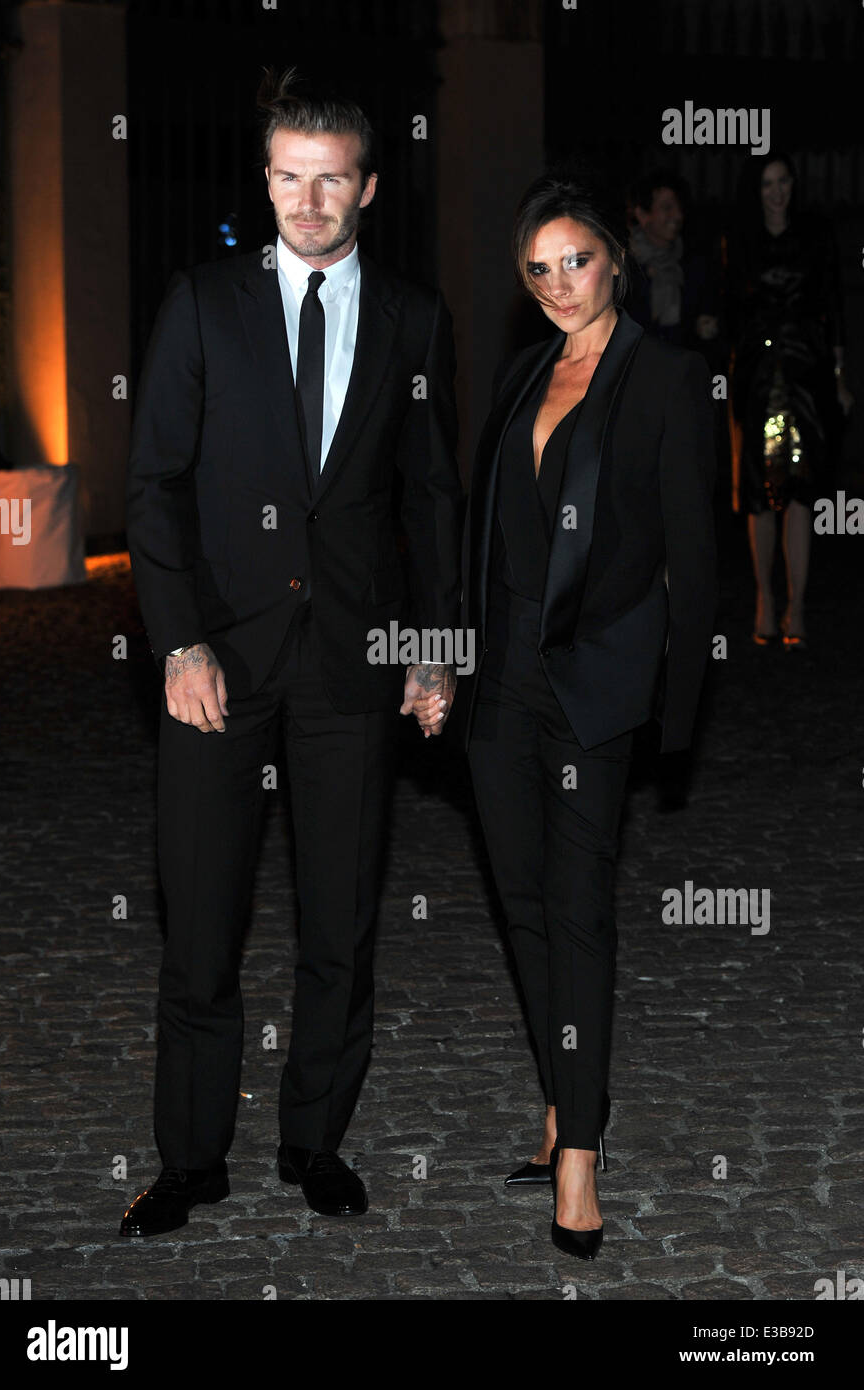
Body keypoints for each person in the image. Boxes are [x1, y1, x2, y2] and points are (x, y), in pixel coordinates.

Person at [121, 69, 462, 1236]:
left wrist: (432, 646)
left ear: (365, 185)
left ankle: (315, 1138)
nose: (308, 200)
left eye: (330, 180)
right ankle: (189, 1158)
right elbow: (154, 488)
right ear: (264, 180)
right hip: (216, 665)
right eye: (287, 177)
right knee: (202, 921)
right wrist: (177, 645)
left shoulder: (415, 317)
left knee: (340, 923)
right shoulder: (204, 302)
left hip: (354, 670)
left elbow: (431, 497)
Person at [458, 169, 717, 1260]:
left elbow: (697, 559)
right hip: (501, 680)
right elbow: (481, 541)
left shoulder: (661, 379)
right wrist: (445, 664)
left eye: (576, 259)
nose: (560, 282)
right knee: (518, 903)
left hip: (596, 684)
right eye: (539, 267)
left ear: (613, 258)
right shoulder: (521, 375)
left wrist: (679, 713)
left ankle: (579, 1156)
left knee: (578, 911)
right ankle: (561, 1100)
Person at [726, 152, 852, 648]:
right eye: (767, 183)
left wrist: (840, 376)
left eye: (783, 181)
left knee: (800, 489)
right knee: (760, 490)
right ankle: (766, 599)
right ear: (755, 191)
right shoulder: (740, 239)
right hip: (757, 376)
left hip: (806, 374)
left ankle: (796, 605)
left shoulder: (816, 234)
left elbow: (834, 306)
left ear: (793, 185)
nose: (777, 191)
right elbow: (730, 308)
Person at [625, 167, 721, 358]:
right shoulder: (622, 268)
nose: (677, 216)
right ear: (643, 215)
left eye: (679, 208)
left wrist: (705, 328)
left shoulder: (694, 263)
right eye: (667, 208)